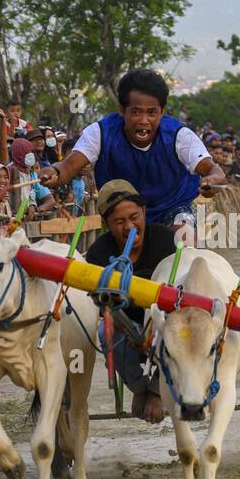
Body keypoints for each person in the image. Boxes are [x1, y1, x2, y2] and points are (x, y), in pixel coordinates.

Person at [39, 69, 227, 226]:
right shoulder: (100, 133)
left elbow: (213, 170)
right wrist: (54, 171)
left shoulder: (180, 136)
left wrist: (212, 181)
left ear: (161, 111)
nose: (144, 121)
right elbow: (69, 166)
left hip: (174, 208)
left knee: (184, 237)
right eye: (136, 112)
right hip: (122, 213)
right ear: (122, 110)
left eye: (152, 113)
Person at [84, 179, 179, 424]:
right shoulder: (98, 254)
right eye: (119, 222)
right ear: (106, 225)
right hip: (124, 322)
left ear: (144, 213)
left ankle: (157, 391)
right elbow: (101, 306)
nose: (129, 226)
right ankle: (139, 387)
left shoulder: (166, 241)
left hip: (164, 319)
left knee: (177, 331)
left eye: (134, 217)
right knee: (107, 334)